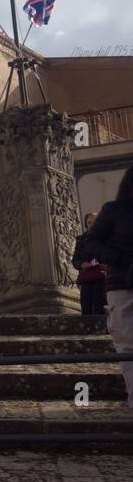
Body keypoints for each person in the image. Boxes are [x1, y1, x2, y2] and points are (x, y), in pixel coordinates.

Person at [84, 166, 133, 408]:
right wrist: (121, 260)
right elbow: (91, 243)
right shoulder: (113, 211)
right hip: (122, 285)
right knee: (127, 343)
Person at [73, 211, 109, 317]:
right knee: (86, 305)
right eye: (89, 223)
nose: (92, 225)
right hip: (86, 277)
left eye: (95, 222)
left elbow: (111, 256)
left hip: (102, 276)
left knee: (99, 304)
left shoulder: (106, 238)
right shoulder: (81, 240)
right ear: (86, 225)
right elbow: (75, 260)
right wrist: (82, 264)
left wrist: (106, 266)